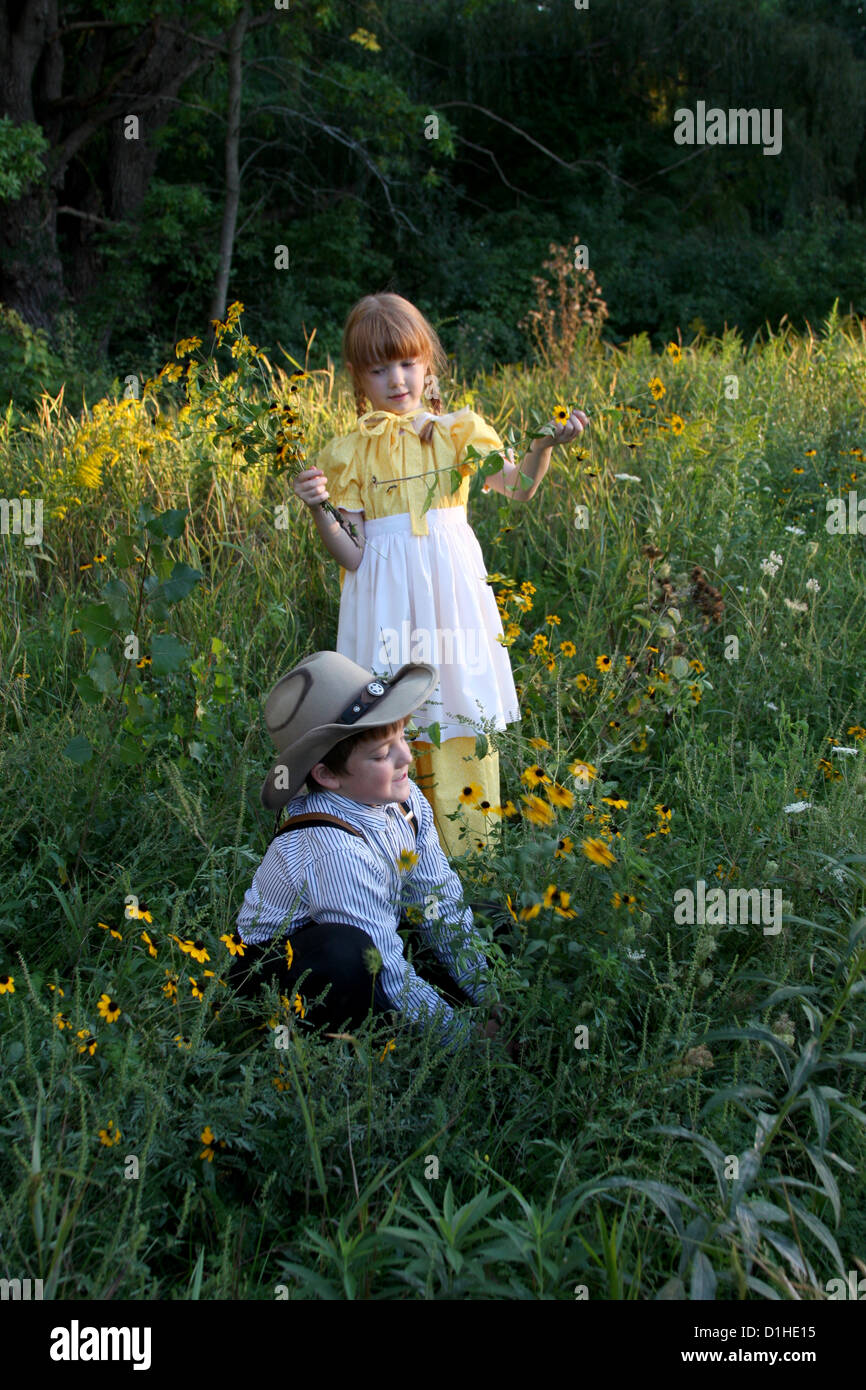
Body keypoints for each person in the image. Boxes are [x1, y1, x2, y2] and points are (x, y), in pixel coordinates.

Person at [292, 292, 589, 858]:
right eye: (379, 369)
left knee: (456, 706)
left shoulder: (458, 431)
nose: (396, 379)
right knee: (390, 715)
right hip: (383, 603)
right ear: (359, 378)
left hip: (450, 599)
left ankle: (470, 862)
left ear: (428, 364)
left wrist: (545, 444)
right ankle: (393, 859)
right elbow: (352, 554)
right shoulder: (351, 451)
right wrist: (318, 509)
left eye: (406, 363)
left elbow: (519, 486)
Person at [230, 650, 513, 1057]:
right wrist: (470, 1044)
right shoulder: (332, 850)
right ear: (326, 776)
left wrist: (490, 995)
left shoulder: (405, 799)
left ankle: (463, 1003)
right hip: (283, 965)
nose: (406, 757)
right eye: (381, 755)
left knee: (491, 915)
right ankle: (345, 1047)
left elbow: (437, 900)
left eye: (402, 735)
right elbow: (385, 966)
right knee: (348, 958)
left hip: (373, 923)